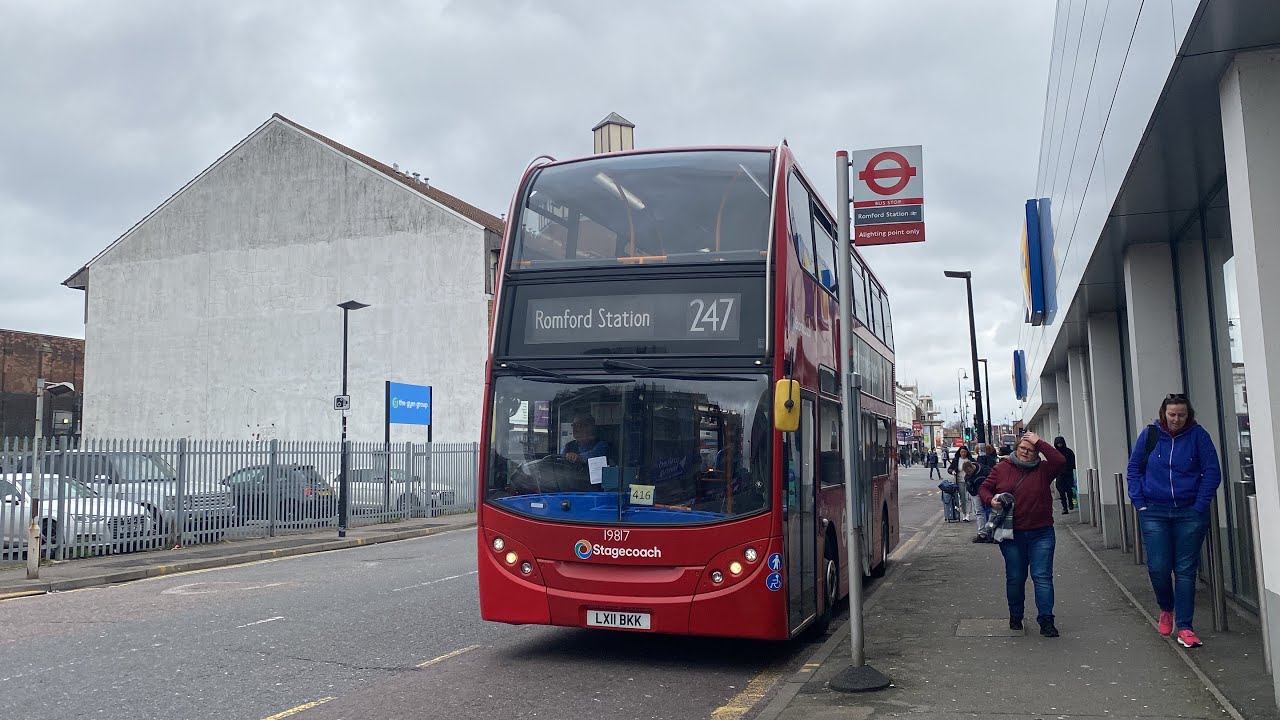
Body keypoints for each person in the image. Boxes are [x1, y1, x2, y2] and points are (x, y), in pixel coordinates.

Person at [1126, 394, 1222, 649]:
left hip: (1189, 511)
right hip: (1154, 511)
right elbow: (1134, 469)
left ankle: (1186, 627)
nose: (1177, 419)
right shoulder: (1150, 435)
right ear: (1163, 414)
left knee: (1185, 570)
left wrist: (1201, 504)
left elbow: (1212, 471)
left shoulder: (1198, 436)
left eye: (1181, 414)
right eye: (1172, 414)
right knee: (1158, 567)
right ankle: (1166, 608)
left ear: (1188, 414)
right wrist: (1139, 502)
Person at [979, 431, 1066, 637]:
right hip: (1012, 534)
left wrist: (1039, 442)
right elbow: (984, 488)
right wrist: (991, 500)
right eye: (1022, 449)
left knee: (1042, 577)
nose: (1026, 453)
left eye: (1031, 450)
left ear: (1037, 453)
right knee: (1016, 577)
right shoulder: (1001, 468)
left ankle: (1046, 620)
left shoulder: (1045, 469)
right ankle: (1015, 615)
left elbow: (1060, 460)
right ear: (1016, 449)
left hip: (1041, 532)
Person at [948, 446, 974, 522]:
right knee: (962, 498)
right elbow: (950, 469)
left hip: (969, 481)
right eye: (962, 452)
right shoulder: (956, 460)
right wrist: (953, 472)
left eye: (965, 452)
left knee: (968, 497)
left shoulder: (970, 460)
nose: (963, 453)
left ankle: (968, 514)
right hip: (960, 481)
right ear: (959, 452)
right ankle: (964, 513)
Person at [962, 459, 991, 527]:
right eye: (967, 472)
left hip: (987, 492)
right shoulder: (968, 476)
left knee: (988, 510)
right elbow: (968, 486)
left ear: (972, 467)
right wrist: (973, 493)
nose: (968, 473)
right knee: (979, 511)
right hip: (976, 493)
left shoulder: (984, 470)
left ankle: (989, 530)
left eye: (969, 471)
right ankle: (982, 531)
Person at [1053, 436, 1077, 514]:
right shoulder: (1055, 452)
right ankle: (1065, 508)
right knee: (1061, 491)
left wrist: (1070, 470)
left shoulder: (1069, 452)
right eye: (1058, 444)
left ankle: (1070, 502)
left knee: (1069, 490)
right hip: (1060, 475)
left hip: (1068, 474)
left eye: (1061, 443)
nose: (1060, 445)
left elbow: (1073, 463)